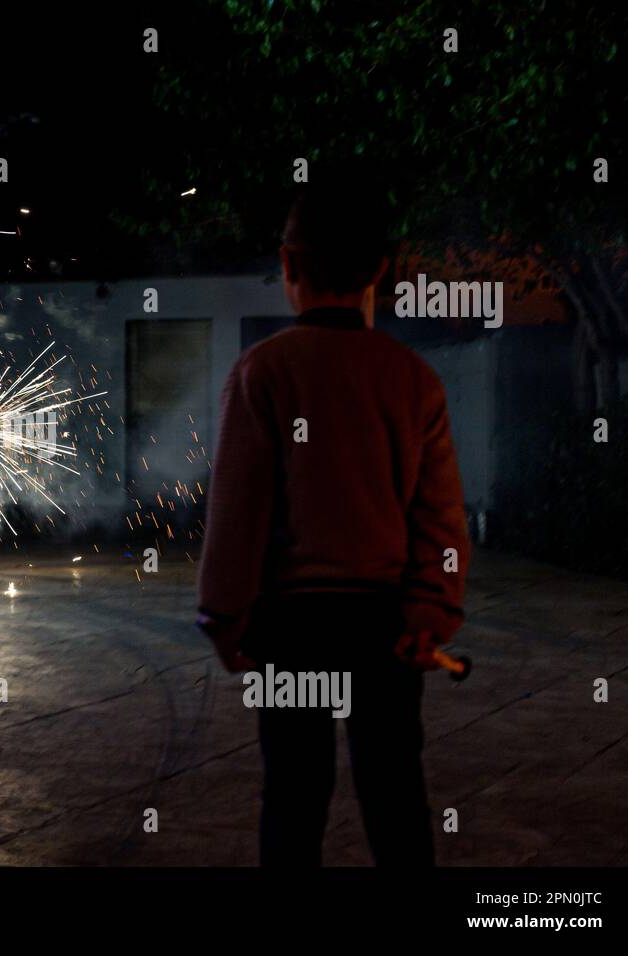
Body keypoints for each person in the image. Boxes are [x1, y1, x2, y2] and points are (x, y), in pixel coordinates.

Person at [196, 186, 470, 866]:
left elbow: (237, 516)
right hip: (387, 629)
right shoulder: (414, 379)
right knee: (397, 797)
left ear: (289, 264)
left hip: (290, 628)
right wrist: (432, 613)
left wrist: (225, 620)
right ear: (380, 270)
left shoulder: (263, 372)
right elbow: (441, 520)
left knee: (292, 797)